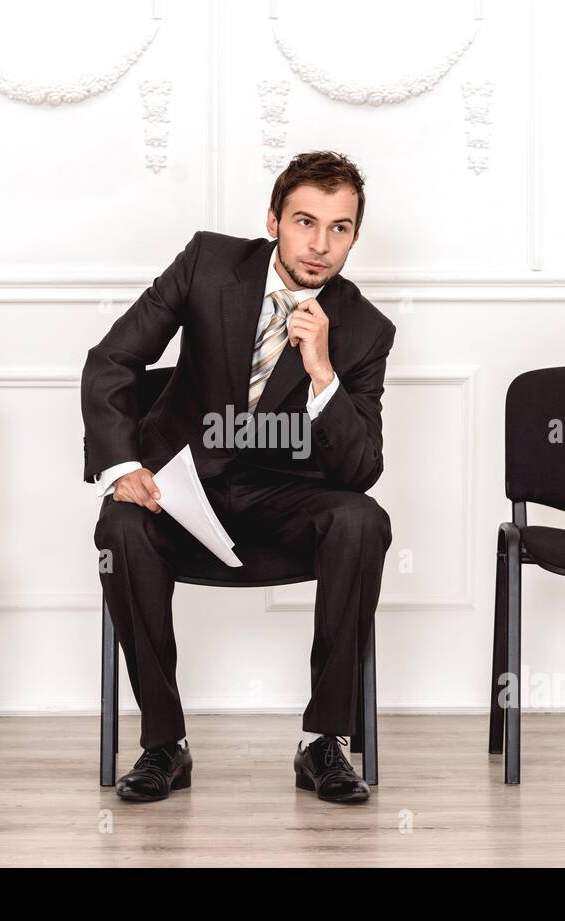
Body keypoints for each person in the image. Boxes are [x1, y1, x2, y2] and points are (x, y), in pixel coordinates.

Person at [81, 151, 395, 803]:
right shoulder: (209, 264)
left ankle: (324, 742)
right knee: (119, 524)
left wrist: (322, 372)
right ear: (274, 219)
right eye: (305, 221)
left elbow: (361, 468)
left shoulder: (363, 329)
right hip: (183, 496)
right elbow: (112, 360)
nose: (320, 244)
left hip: (283, 508)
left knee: (364, 520)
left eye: (340, 228)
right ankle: (163, 742)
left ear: (355, 237)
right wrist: (123, 465)